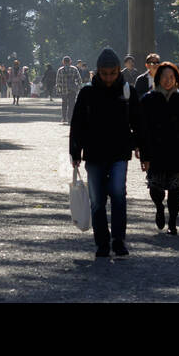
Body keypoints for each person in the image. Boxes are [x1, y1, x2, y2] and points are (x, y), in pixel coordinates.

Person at [69, 48, 135, 258]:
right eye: (105, 73)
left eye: (112, 73)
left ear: (118, 71)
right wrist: (75, 150)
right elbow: (77, 123)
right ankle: (102, 243)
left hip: (119, 152)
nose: (108, 78)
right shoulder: (87, 92)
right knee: (97, 200)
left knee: (118, 194)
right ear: (98, 71)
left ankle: (118, 240)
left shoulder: (127, 91)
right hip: (95, 152)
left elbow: (139, 122)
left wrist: (141, 148)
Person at [135, 61, 179, 235]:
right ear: (158, 79)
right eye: (164, 77)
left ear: (176, 79)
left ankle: (172, 222)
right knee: (155, 188)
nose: (168, 80)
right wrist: (142, 150)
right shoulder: (149, 99)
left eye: (171, 77)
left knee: (175, 189)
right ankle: (159, 208)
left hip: (178, 151)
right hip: (155, 150)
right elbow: (142, 127)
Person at [57, 55, 82, 124]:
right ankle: (70, 119)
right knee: (71, 104)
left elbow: (58, 81)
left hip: (64, 90)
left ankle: (64, 118)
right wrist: (78, 87)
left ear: (63, 62)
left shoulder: (60, 70)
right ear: (70, 62)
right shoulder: (74, 69)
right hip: (72, 90)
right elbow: (79, 80)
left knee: (64, 104)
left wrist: (58, 90)